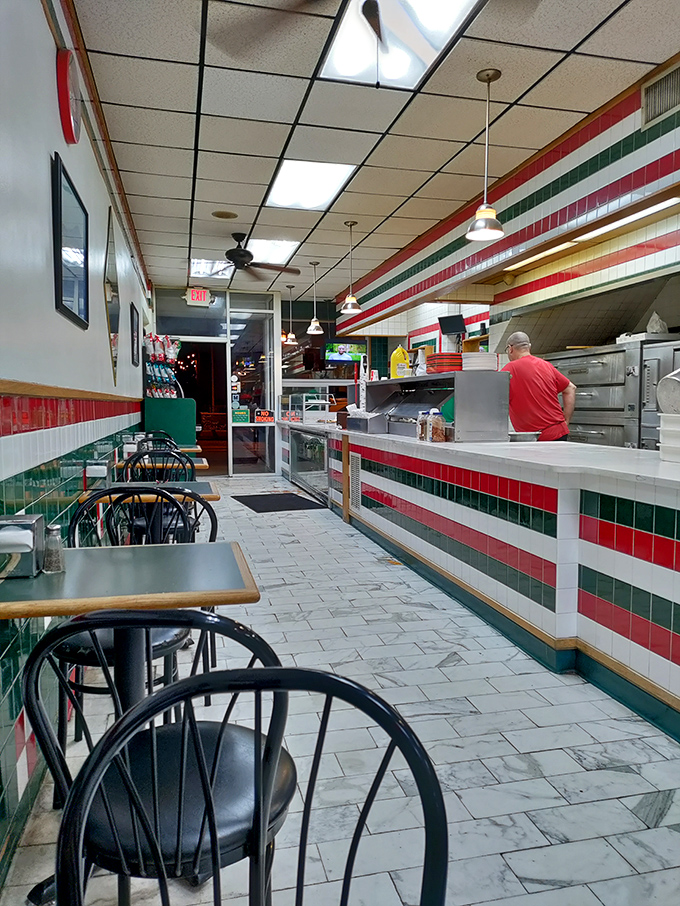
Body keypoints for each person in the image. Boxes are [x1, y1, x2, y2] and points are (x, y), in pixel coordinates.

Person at [501, 331, 576, 441]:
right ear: (529, 347)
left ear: (510, 348)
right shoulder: (546, 365)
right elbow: (570, 388)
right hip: (559, 432)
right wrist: (566, 420)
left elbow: (494, 399)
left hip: (535, 438)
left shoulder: (509, 369)